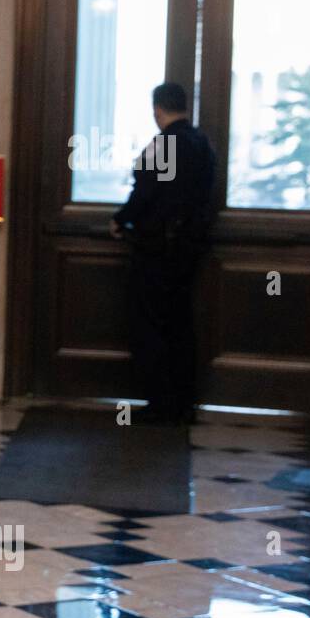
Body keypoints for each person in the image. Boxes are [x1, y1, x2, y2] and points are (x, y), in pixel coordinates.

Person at [109, 82, 216, 425]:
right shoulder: (203, 146)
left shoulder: (163, 146)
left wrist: (120, 220)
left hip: (156, 250)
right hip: (189, 250)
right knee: (181, 325)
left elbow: (144, 194)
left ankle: (161, 403)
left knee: (151, 325)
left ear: (157, 110)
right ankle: (185, 403)